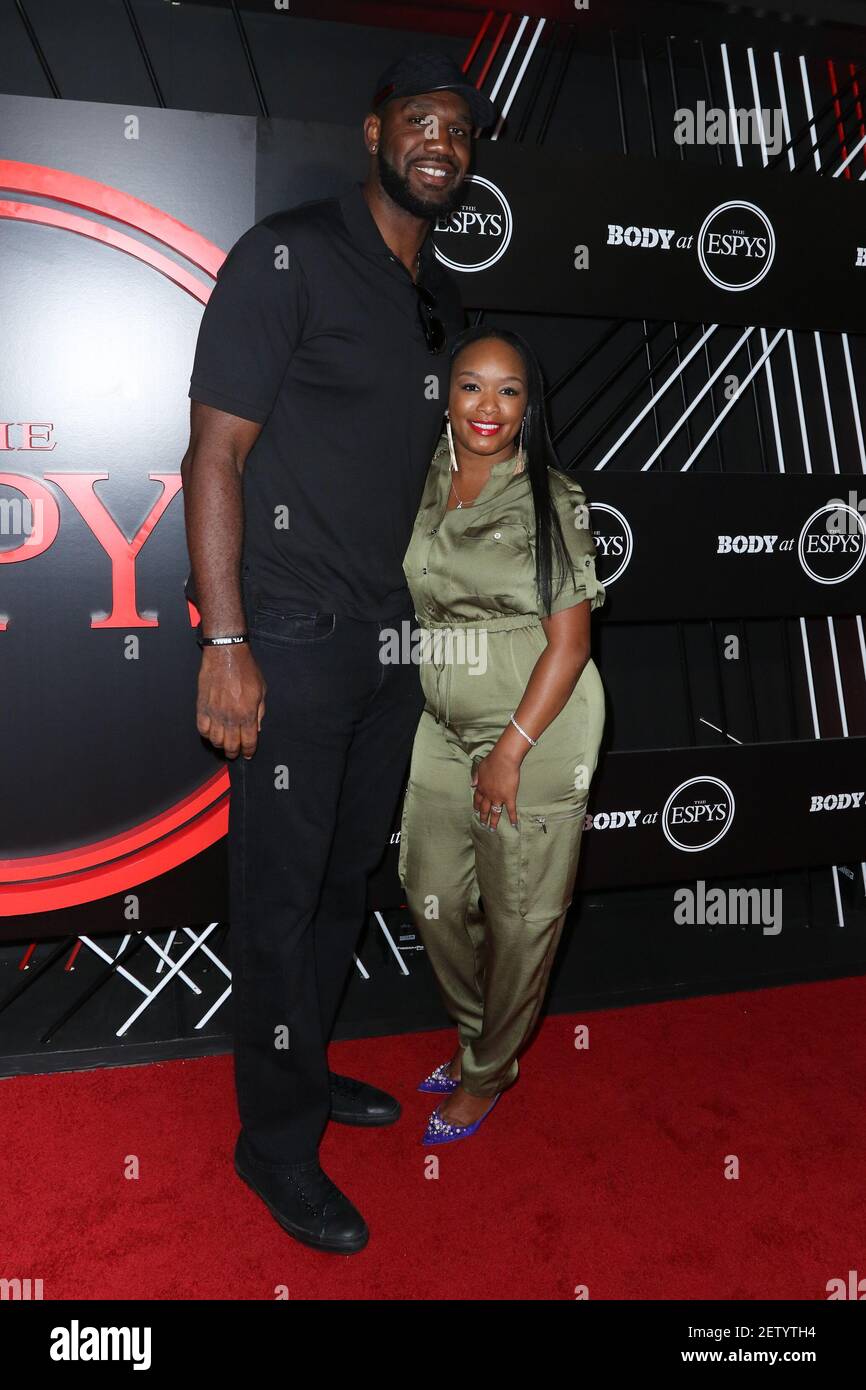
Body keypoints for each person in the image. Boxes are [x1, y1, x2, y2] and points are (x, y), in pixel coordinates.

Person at [180, 53, 496, 1252]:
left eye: (459, 132)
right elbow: (214, 457)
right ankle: (272, 1148)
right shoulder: (286, 254)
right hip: (292, 635)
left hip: (388, 647)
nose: (440, 145)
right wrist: (226, 641)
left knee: (333, 886)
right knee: (275, 897)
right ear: (373, 132)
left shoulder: (433, 296)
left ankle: (301, 1083)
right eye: (420, 123)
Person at [398, 325, 607, 1146]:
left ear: (529, 405)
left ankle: (488, 1072)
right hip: (442, 724)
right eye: (472, 385)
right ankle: (483, 1036)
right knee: (430, 891)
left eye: (509, 390)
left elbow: (573, 643)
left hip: (539, 730)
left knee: (521, 916)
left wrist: (510, 752)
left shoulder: (552, 499)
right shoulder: (419, 483)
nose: (489, 405)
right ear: (446, 396)